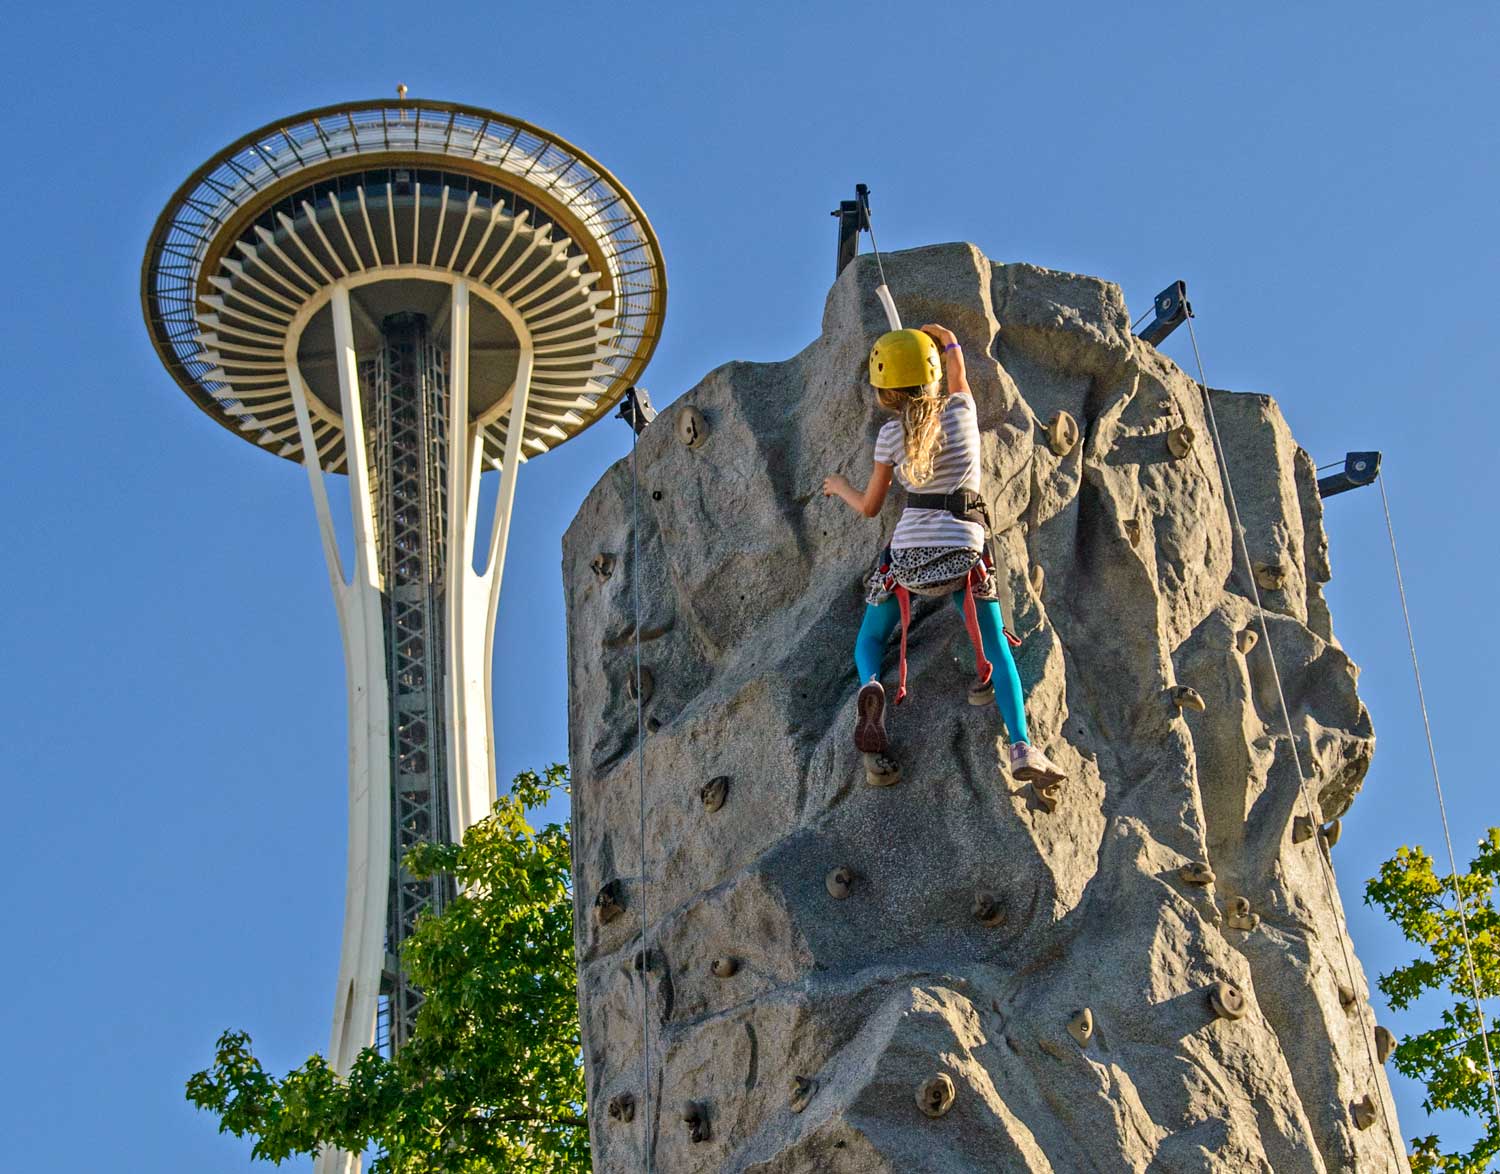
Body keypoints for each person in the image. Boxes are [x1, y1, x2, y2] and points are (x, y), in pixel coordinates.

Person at [821, 323, 1065, 784]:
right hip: (963, 554)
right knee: (996, 642)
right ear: (934, 373)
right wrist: (947, 337)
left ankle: (872, 683)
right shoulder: (960, 412)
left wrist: (839, 487)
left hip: (908, 559)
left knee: (872, 635)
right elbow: (958, 375)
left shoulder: (890, 437)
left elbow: (871, 507)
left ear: (884, 393)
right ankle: (1020, 746)